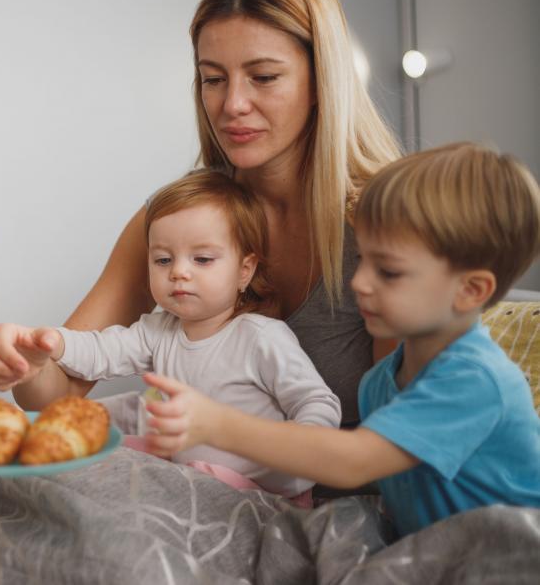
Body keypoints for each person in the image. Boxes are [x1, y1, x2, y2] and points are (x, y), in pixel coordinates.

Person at [0, 0, 402, 427]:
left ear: (322, 80)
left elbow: (395, 434)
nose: (232, 104)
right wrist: (25, 366)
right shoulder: (169, 222)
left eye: (263, 77)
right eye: (213, 79)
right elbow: (62, 389)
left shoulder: (384, 224)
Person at [141, 143, 540, 538]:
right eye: (363, 260)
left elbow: (353, 462)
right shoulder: (383, 379)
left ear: (470, 290)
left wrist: (218, 424)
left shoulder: (474, 380)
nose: (359, 282)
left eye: (388, 271)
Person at [0, 170, 340, 501]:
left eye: (202, 259)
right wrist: (54, 343)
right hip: (191, 481)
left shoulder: (262, 337)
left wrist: (302, 453)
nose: (179, 273)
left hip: (265, 493)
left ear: (244, 271)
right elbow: (102, 351)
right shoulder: (158, 331)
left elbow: (317, 402)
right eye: (163, 260)